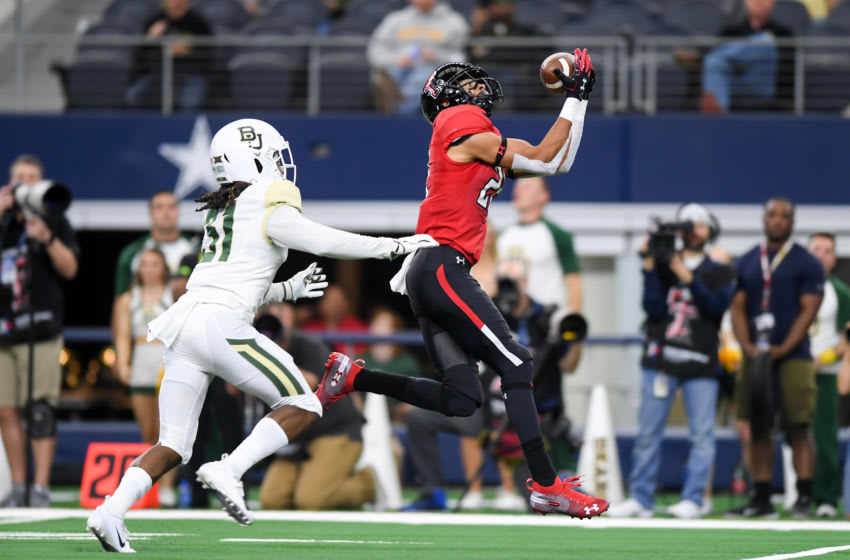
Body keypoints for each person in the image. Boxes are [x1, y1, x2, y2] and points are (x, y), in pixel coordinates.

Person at [85, 118, 436, 553]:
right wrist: (392, 246)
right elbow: (321, 240)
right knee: (303, 402)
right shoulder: (268, 197)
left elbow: (233, 279)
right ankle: (230, 469)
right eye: (272, 155)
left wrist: (287, 289)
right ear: (252, 159)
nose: (279, 164)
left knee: (172, 443)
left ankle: (110, 511)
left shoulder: (222, 206)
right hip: (218, 324)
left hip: (184, 324)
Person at [316, 53, 610, 518]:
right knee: (517, 362)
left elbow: (557, 163)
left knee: (462, 398)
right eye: (468, 85)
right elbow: (543, 155)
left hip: (431, 270)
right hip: (441, 264)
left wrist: (580, 99)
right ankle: (547, 483)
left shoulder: (474, 138)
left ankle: (354, 376)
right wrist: (573, 94)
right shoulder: (458, 119)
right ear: (449, 97)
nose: (479, 91)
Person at [608, 204, 735, 519]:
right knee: (648, 432)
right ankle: (641, 496)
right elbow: (652, 308)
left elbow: (716, 307)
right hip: (661, 359)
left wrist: (685, 275)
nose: (693, 232)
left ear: (710, 230)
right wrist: (650, 264)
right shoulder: (663, 265)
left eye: (699, 226)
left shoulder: (719, 268)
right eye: (688, 226)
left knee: (702, 435)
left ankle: (694, 498)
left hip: (701, 361)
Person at [727, 197, 824, 519]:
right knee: (758, 427)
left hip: (794, 357)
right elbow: (737, 307)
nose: (779, 220)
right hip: (757, 356)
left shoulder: (806, 262)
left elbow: (809, 309)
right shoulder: (747, 261)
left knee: (799, 426)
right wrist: (747, 346)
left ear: (793, 221)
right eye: (773, 215)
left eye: (785, 215)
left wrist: (785, 347)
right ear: (764, 219)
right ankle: (762, 497)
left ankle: (804, 499)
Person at [0, 155, 78, 508]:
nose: (26, 184)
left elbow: (70, 269)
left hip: (42, 329)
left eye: (33, 179)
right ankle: (18, 487)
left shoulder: (55, 219)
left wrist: (46, 237)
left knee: (40, 409)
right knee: (6, 410)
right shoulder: (4, 222)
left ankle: (41, 487)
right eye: (20, 178)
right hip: (4, 329)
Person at [256, 309, 375, 511]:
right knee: (272, 500)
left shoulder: (309, 345)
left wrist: (267, 362)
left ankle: (366, 484)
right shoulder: (255, 353)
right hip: (295, 436)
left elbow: (311, 381)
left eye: (281, 315)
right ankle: (313, 478)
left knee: (311, 501)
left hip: (334, 429)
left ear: (291, 319)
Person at [111, 247, 177, 506]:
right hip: (141, 361)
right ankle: (149, 486)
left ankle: (168, 487)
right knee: (147, 429)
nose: (149, 269)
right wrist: (123, 362)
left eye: (154, 264)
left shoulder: (174, 295)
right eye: (144, 264)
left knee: (168, 429)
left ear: (163, 268)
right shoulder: (128, 299)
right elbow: (122, 335)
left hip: (166, 360)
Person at [807, 232, 850, 518]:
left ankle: (825, 498)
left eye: (827, 250)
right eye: (816, 249)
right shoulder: (794, 286)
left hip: (826, 374)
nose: (821, 255)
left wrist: (822, 360)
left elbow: (846, 339)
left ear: (834, 258)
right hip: (792, 371)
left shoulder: (841, 292)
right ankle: (797, 495)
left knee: (824, 437)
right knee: (792, 435)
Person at [367, 0, 468, 115]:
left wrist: (436, 56)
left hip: (433, 69)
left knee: (423, 78)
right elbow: (376, 51)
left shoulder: (454, 21)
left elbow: (459, 59)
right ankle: (391, 97)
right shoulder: (395, 20)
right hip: (398, 66)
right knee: (387, 75)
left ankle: (398, 110)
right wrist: (396, 60)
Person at [497, 176, 582, 310]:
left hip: (547, 319)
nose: (518, 190)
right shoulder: (502, 236)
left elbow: (574, 282)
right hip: (510, 321)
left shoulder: (557, 234)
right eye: (517, 186)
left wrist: (571, 321)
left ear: (543, 196)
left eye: (527, 186)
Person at [700, 0, 794, 113]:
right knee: (714, 63)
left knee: (767, 42)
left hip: (764, 90)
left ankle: (716, 56)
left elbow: (787, 73)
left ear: (773, 2)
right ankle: (718, 115)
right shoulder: (729, 32)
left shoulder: (784, 34)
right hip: (734, 87)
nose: (758, 1)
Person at [125, 0, 214, 111]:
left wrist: (187, 52)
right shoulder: (155, 21)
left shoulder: (198, 23)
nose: (176, 4)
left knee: (189, 102)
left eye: (180, 2)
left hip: (190, 75)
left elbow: (209, 55)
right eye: (172, 1)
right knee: (133, 96)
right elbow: (139, 54)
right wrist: (150, 40)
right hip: (156, 75)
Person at [114, 191, 197, 297]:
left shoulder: (196, 248)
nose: (166, 213)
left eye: (171, 207)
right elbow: (121, 299)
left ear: (178, 212)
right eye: (159, 207)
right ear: (151, 213)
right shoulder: (131, 254)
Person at [302, 284, 369, 356]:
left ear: (347, 303)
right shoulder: (310, 329)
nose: (335, 305)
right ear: (320, 304)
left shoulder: (358, 327)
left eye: (339, 300)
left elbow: (364, 356)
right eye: (330, 300)